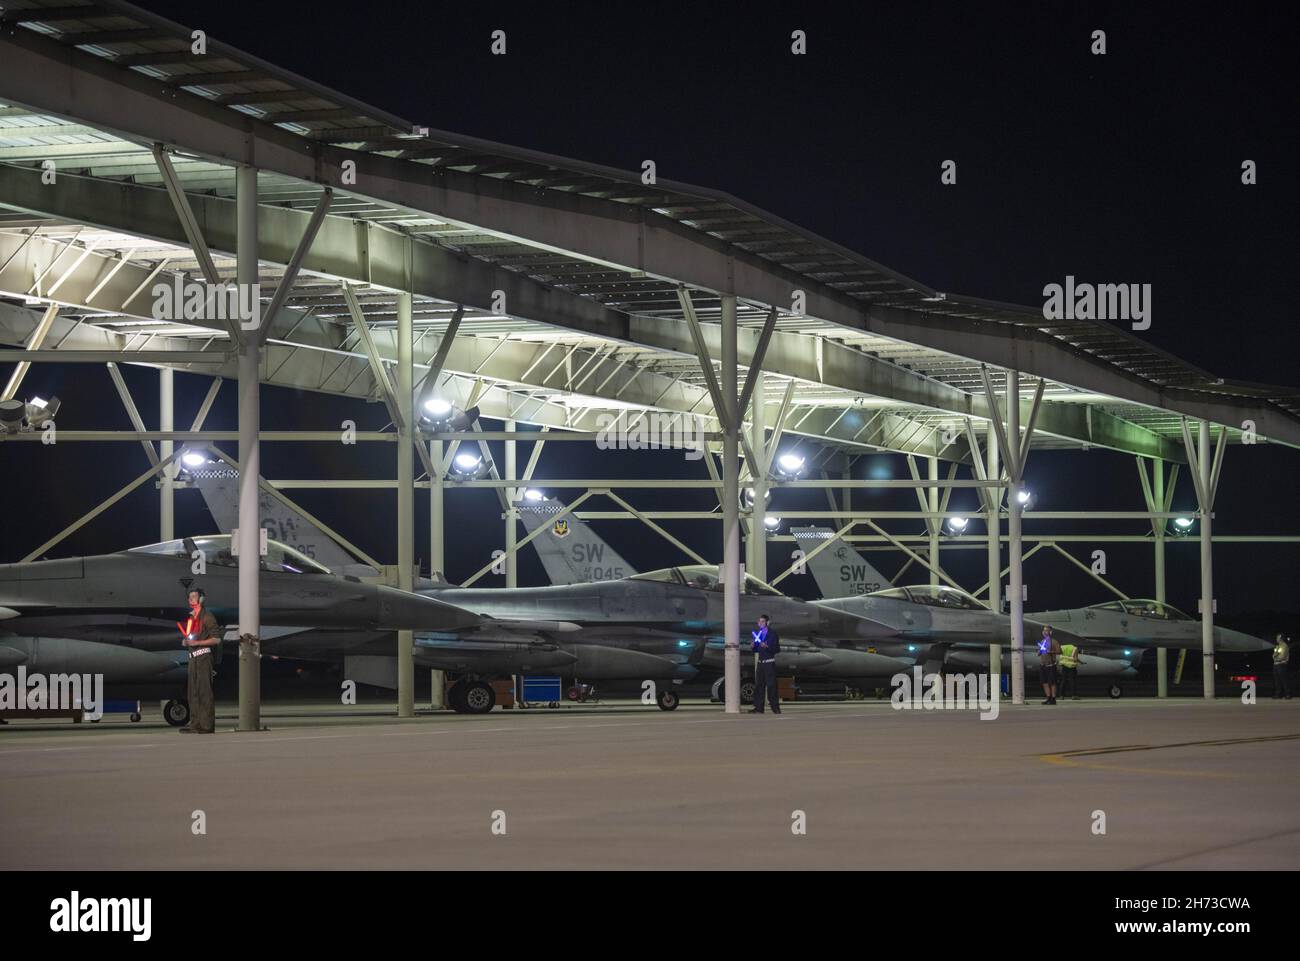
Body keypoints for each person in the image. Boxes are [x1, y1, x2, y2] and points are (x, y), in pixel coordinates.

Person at [179, 587, 221, 733]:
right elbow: (191, 638)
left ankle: (207, 725)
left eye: (194, 596)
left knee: (204, 692)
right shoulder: (191, 618)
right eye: (189, 596)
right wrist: (186, 642)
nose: (190, 599)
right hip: (193, 659)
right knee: (193, 693)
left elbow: (216, 639)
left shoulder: (207, 617)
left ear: (201, 599)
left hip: (204, 658)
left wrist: (197, 644)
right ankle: (195, 724)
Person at [749, 614, 781, 714]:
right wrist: (753, 646)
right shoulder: (758, 634)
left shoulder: (772, 634)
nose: (760, 623)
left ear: (768, 622)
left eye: (762, 621)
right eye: (759, 621)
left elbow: (776, 649)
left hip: (769, 663)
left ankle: (775, 707)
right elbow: (756, 650)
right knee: (759, 686)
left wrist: (767, 646)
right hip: (760, 663)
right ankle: (759, 708)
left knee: (771, 686)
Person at [1037, 625, 1061, 705]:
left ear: (1050, 632)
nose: (1045, 632)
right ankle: (1048, 697)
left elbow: (1059, 651)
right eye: (1044, 630)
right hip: (1042, 665)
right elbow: (1039, 653)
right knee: (1045, 682)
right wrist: (1040, 651)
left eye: (1047, 630)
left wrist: (1050, 652)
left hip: (1051, 665)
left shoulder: (1054, 641)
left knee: (1052, 682)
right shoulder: (1042, 641)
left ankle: (1053, 699)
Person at [1273, 633, 1291, 700]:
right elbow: (1273, 655)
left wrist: (1276, 657)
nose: (1276, 639)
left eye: (1277, 637)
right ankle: (1278, 694)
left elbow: (1282, 656)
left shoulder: (1284, 646)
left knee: (1284, 680)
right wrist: (1276, 657)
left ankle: (1288, 694)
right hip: (1276, 665)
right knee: (1277, 681)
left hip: (1281, 665)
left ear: (1281, 638)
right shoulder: (1277, 646)